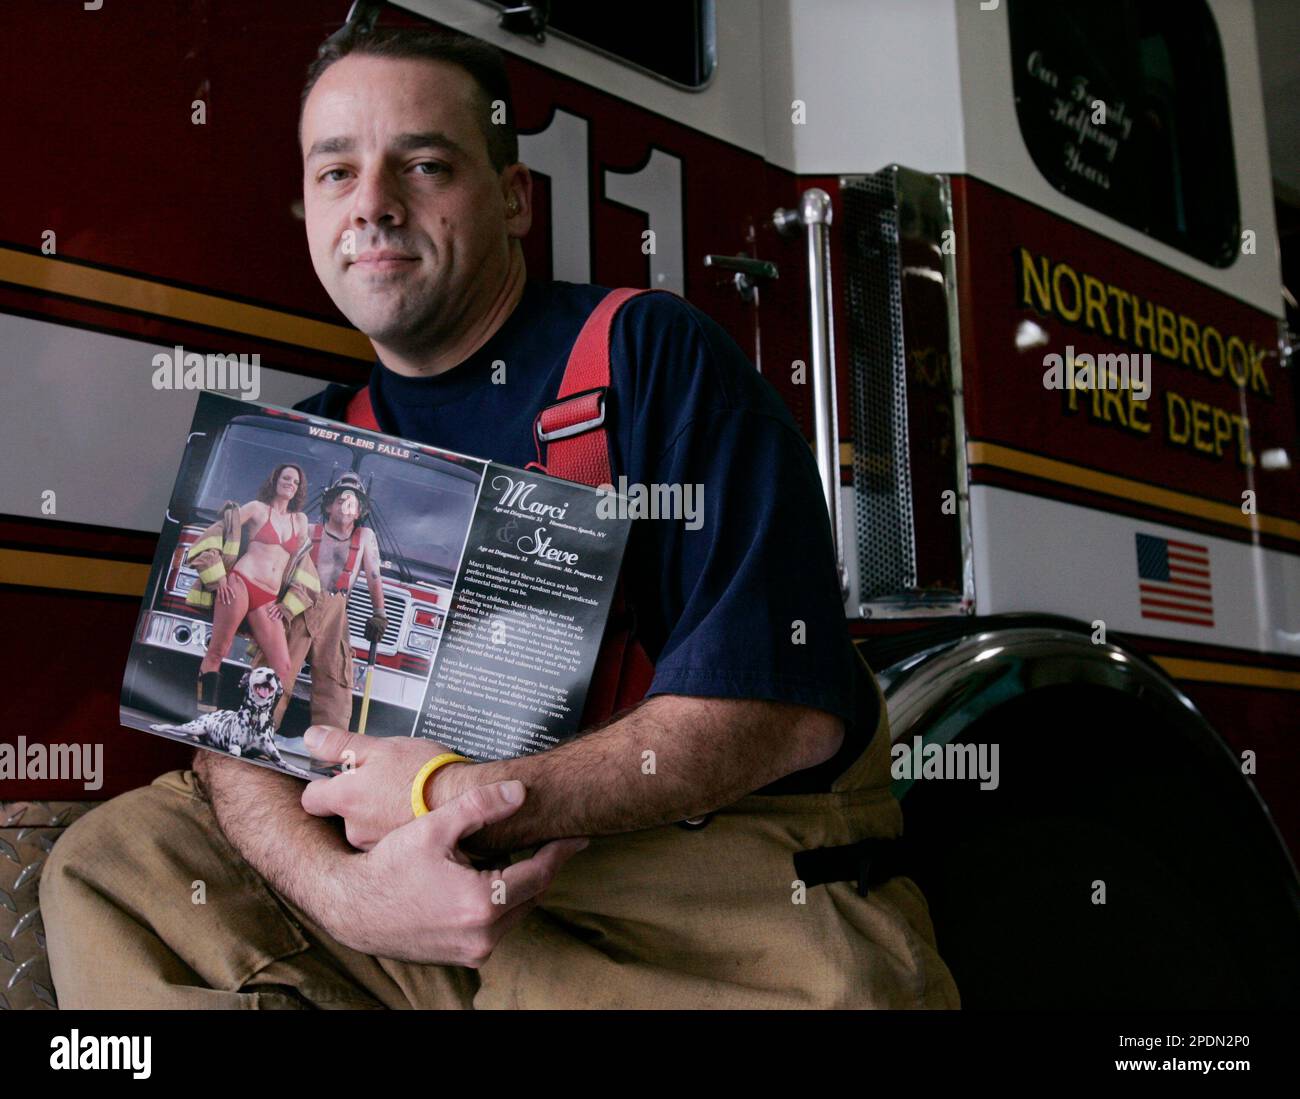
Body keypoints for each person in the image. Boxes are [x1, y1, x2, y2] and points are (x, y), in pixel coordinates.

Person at [40, 25, 960, 1009]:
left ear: (515, 199)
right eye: (336, 173)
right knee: (113, 864)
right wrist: (353, 899)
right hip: (395, 903)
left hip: (662, 903)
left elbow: (774, 717)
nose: (373, 206)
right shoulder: (299, 451)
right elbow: (233, 741)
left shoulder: (648, 358)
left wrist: (450, 797)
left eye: (423, 165)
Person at [186, 462, 319, 716]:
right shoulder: (257, 509)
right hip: (240, 584)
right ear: (275, 480)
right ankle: (203, 716)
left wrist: (289, 605)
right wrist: (219, 577)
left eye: (296, 482)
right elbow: (217, 531)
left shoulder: (300, 521)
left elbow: (305, 567)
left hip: (268, 599)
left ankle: (253, 723)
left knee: (282, 666)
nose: (290, 484)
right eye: (286, 478)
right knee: (218, 650)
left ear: (298, 490)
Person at [265, 472, 386, 732]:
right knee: (276, 672)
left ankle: (326, 758)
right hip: (300, 605)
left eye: (352, 503)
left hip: (335, 612)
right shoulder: (308, 531)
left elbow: (374, 576)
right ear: (329, 505)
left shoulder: (365, 538)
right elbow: (284, 567)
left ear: (360, 511)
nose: (346, 507)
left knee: (335, 683)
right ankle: (256, 736)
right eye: (340, 500)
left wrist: (379, 614)